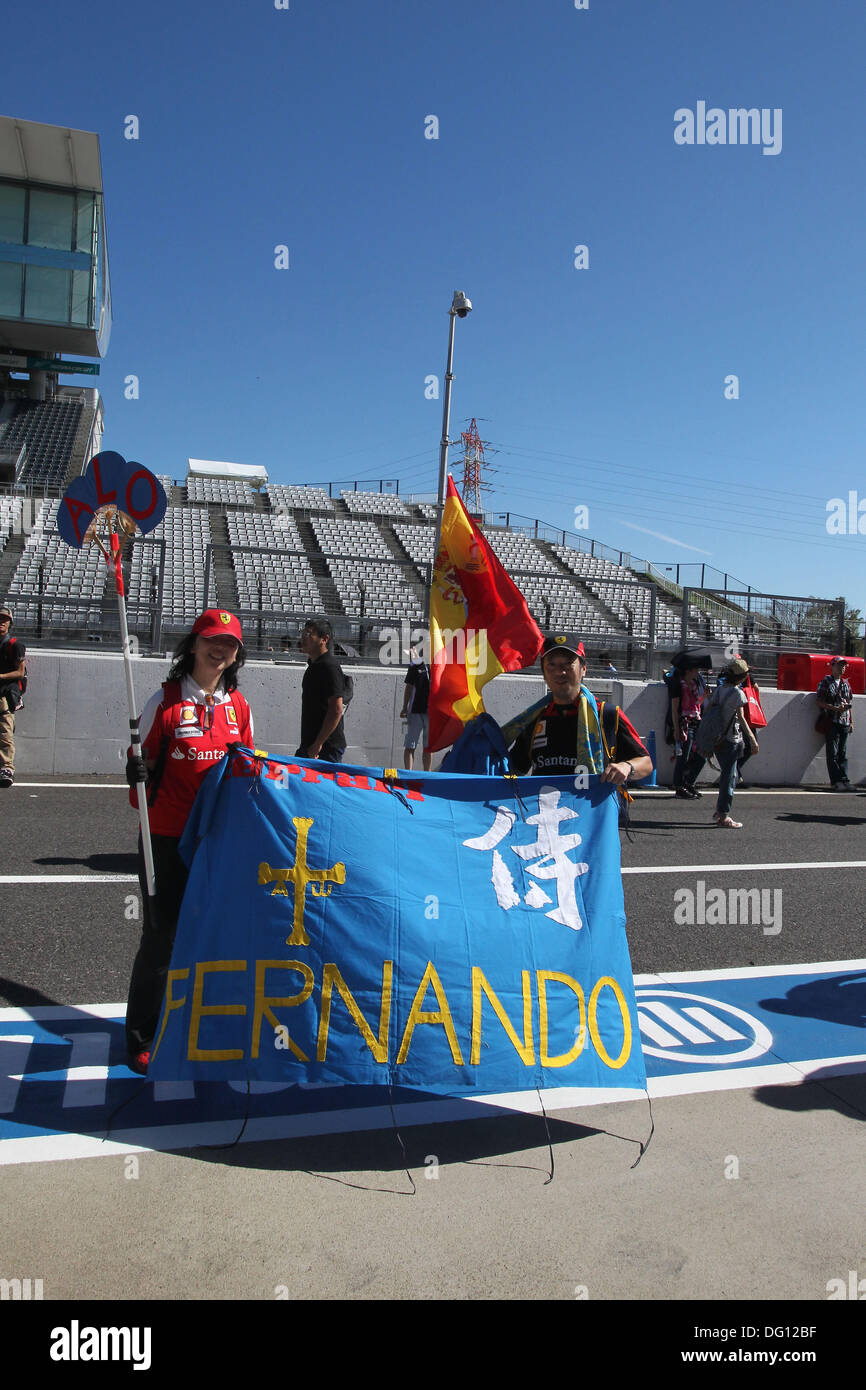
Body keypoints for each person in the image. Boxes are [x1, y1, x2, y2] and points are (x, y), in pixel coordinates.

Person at [124, 609, 253, 1074]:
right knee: (161, 936)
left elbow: (245, 772)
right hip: (165, 836)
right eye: (213, 641)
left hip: (216, 838)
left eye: (231, 645)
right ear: (194, 644)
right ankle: (143, 1035)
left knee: (213, 932)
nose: (221, 651)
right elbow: (142, 770)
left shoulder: (239, 706)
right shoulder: (165, 699)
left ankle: (200, 1023)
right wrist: (136, 771)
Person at [508, 635, 653, 784]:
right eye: (551, 664)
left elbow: (646, 763)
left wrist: (626, 766)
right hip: (543, 805)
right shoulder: (534, 719)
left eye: (568, 664)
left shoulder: (606, 714)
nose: (560, 672)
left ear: (583, 669)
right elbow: (514, 769)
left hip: (594, 805)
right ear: (543, 672)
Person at [708, 657, 759, 828]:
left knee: (727, 774)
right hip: (730, 739)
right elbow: (742, 720)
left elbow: (709, 710)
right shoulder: (738, 693)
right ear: (742, 676)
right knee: (729, 778)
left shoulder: (719, 690)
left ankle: (720, 810)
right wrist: (752, 739)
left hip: (717, 738)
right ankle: (723, 815)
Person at [297, 616, 346, 763]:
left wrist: (318, 744)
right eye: (303, 633)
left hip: (325, 748)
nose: (303, 638)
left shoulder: (329, 666)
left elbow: (336, 709)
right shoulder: (314, 666)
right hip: (310, 745)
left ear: (324, 639)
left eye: (309, 634)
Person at [816, 656, 854, 790]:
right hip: (832, 720)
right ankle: (836, 781)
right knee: (832, 752)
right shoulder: (826, 682)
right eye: (839, 665)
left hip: (844, 721)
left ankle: (844, 779)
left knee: (842, 752)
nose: (841, 668)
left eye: (843, 666)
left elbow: (850, 703)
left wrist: (851, 721)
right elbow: (819, 701)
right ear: (832, 666)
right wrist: (834, 708)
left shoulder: (846, 684)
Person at [671, 662, 708, 799]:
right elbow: (674, 709)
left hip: (696, 722)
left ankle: (688, 782)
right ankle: (679, 787)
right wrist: (676, 729)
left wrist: (704, 696)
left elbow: (696, 704)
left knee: (701, 756)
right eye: (696, 669)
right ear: (688, 670)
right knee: (683, 757)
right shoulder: (679, 685)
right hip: (684, 724)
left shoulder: (694, 685)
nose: (698, 672)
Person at [0, 603, 26, 789]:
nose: (1, 623)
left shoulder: (15, 645)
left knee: (5, 732)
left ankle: (7, 767)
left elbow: (20, 672)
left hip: (3, 695)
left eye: (5, 620)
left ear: (10, 623)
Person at [399, 647, 431, 771]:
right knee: (410, 745)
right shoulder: (415, 665)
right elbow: (409, 687)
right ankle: (409, 773)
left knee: (428, 747)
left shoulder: (438, 664)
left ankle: (427, 774)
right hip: (415, 711)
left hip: (431, 712)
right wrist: (404, 707)